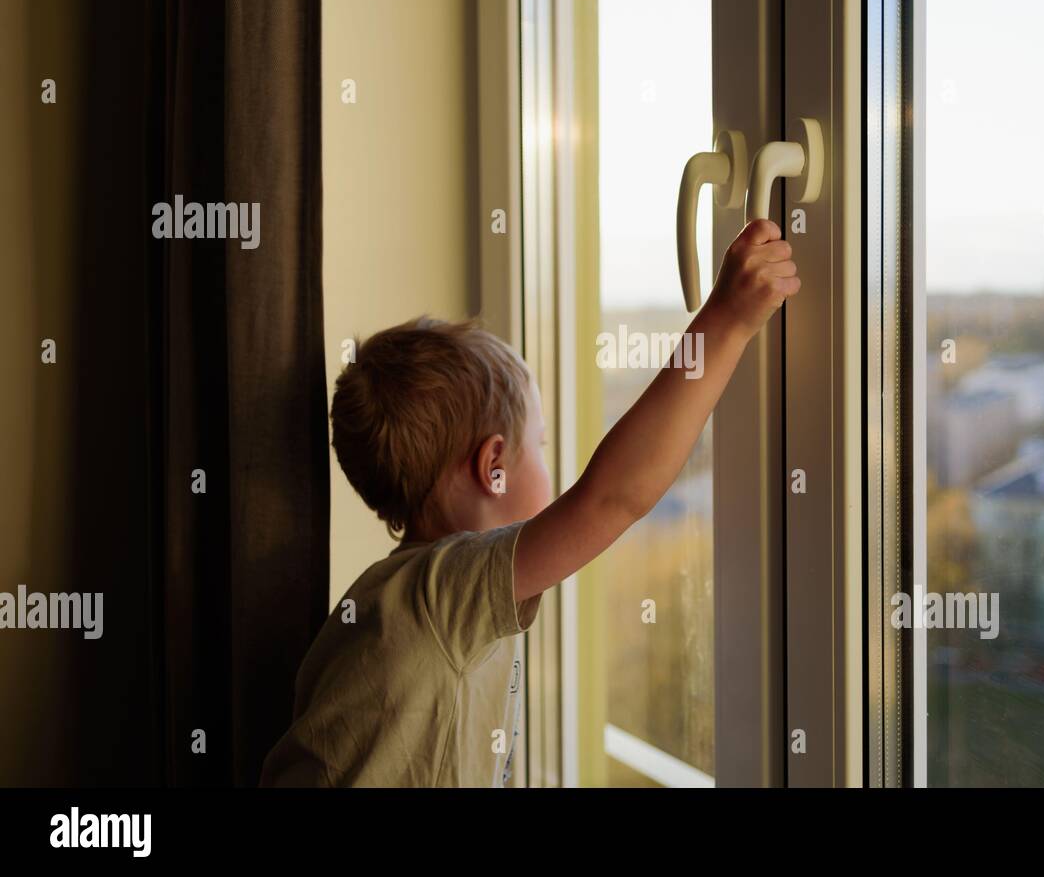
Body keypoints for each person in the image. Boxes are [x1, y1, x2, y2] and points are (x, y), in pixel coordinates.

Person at [260, 219, 798, 786]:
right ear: (492, 468)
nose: (550, 464)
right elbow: (613, 497)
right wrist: (727, 322)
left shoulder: (399, 597)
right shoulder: (442, 594)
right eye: (538, 446)